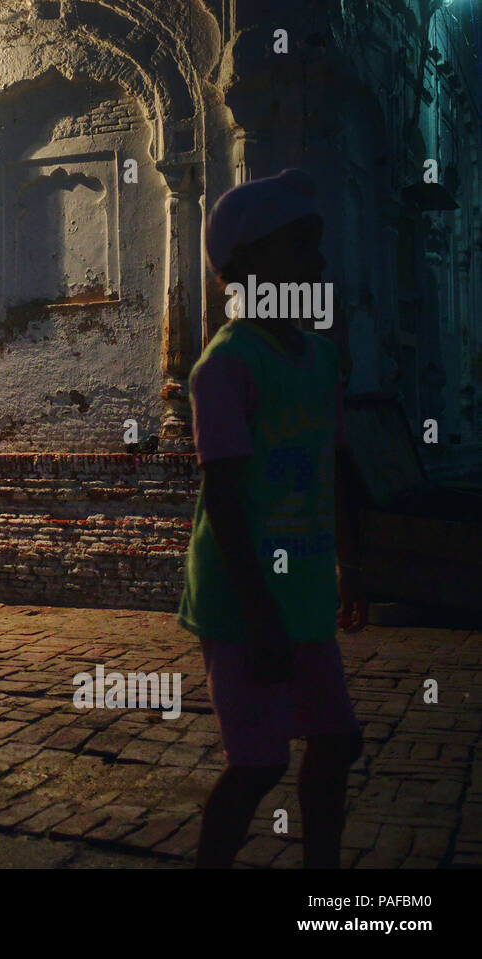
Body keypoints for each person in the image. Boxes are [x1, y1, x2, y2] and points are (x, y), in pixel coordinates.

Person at [178, 169, 368, 868]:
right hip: (243, 600)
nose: (318, 262)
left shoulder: (319, 358)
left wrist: (348, 563)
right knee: (259, 766)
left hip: (306, 592)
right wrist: (259, 616)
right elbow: (224, 500)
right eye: (301, 245)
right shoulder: (226, 367)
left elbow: (333, 465)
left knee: (336, 741)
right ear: (250, 263)